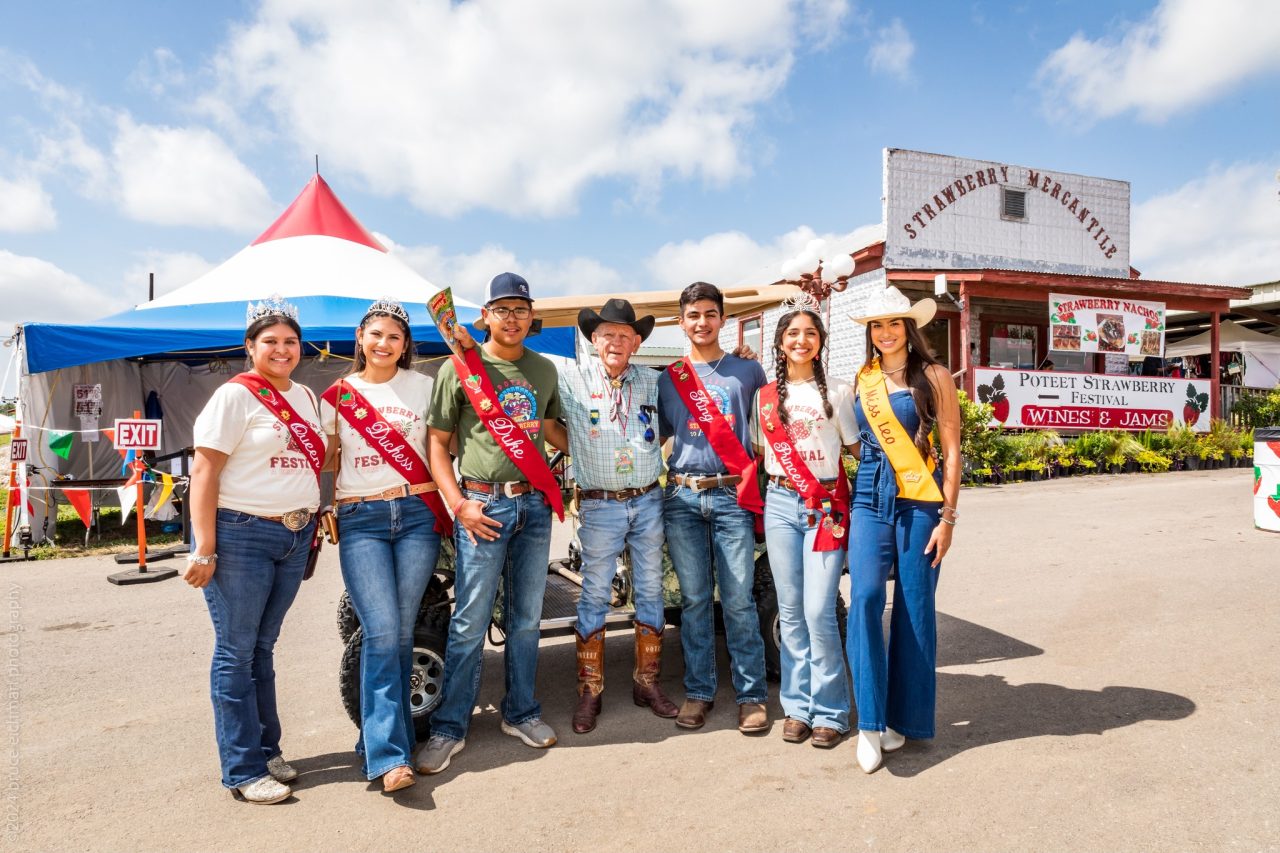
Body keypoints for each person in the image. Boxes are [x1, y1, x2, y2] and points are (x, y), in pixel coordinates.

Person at [417, 272, 566, 775]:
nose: (512, 317)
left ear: (531, 315)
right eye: (502, 309)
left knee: (526, 620)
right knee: (469, 621)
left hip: (534, 509)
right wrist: (459, 504)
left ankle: (521, 713)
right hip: (482, 507)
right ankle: (449, 727)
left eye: (521, 308)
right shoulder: (458, 368)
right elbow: (436, 445)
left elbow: (551, 430)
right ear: (484, 316)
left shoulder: (545, 370)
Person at [186, 296, 327, 804]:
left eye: (290, 341)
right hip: (241, 533)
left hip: (294, 537)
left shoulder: (308, 399)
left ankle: (268, 750)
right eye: (271, 342)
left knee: (261, 650)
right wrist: (204, 548)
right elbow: (204, 472)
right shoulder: (234, 397)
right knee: (235, 651)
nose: (282, 350)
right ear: (250, 347)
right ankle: (243, 769)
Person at [319, 298, 451, 794]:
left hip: (417, 512)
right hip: (363, 517)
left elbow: (444, 446)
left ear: (405, 344)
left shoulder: (425, 386)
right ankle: (390, 756)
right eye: (375, 334)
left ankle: (377, 743)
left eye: (394, 336)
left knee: (399, 631)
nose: (384, 343)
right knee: (382, 632)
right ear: (360, 339)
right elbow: (323, 458)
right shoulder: (337, 395)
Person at [845, 286, 961, 773]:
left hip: (921, 500)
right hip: (870, 494)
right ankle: (869, 723)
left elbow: (953, 451)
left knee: (915, 608)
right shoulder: (863, 378)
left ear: (909, 327)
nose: (885, 332)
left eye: (894, 323)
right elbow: (856, 445)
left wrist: (948, 519)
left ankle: (902, 721)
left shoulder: (934, 376)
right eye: (877, 325)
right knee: (867, 597)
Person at [556, 298, 677, 734]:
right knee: (593, 595)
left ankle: (647, 684)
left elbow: (669, 424)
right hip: (600, 504)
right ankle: (590, 691)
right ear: (594, 338)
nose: (615, 341)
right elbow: (549, 424)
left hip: (647, 500)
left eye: (624, 335)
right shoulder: (570, 378)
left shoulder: (653, 381)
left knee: (649, 591)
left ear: (637, 341)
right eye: (607, 334)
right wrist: (581, 451)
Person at [658, 281, 769, 734]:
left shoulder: (748, 372)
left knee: (739, 600)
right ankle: (699, 692)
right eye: (692, 315)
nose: (701, 323)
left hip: (731, 495)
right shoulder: (669, 378)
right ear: (681, 322)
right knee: (695, 600)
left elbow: (766, 433)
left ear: (722, 319)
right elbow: (660, 435)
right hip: (682, 495)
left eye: (709, 314)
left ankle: (752, 694)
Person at [752, 298, 857, 749]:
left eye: (810, 333)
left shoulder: (837, 391)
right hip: (780, 502)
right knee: (790, 612)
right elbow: (761, 453)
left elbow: (855, 449)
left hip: (826, 506)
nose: (801, 340)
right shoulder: (765, 398)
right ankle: (797, 708)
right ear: (780, 342)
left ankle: (832, 711)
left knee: (819, 611)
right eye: (792, 333)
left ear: (820, 342)